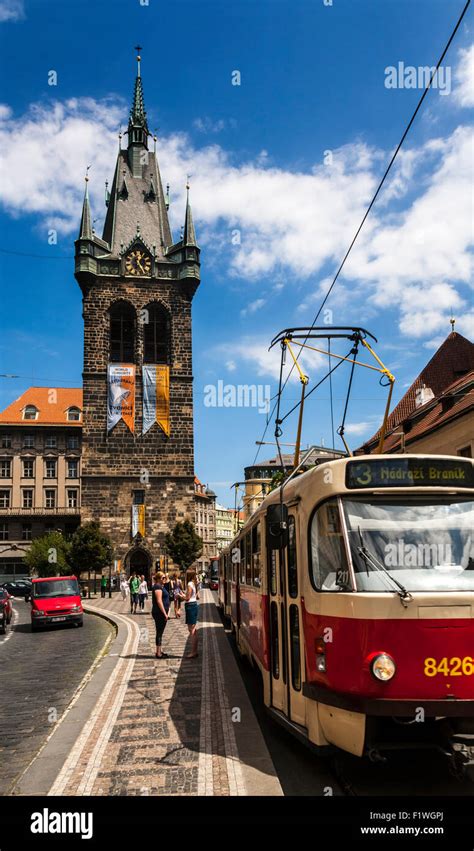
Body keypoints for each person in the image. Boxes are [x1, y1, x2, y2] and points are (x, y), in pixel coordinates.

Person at [151, 571, 170, 658]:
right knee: (159, 632)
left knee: (160, 632)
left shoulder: (161, 586)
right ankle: (158, 653)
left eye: (165, 577)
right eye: (163, 578)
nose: (164, 579)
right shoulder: (157, 587)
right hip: (159, 613)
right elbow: (159, 601)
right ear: (158, 579)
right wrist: (165, 614)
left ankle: (159, 651)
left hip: (161, 613)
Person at [184, 569, 199, 658]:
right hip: (194, 605)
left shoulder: (190, 584)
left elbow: (187, 598)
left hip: (190, 606)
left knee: (191, 630)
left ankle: (193, 652)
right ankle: (195, 651)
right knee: (193, 630)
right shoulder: (194, 584)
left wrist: (180, 596)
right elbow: (197, 596)